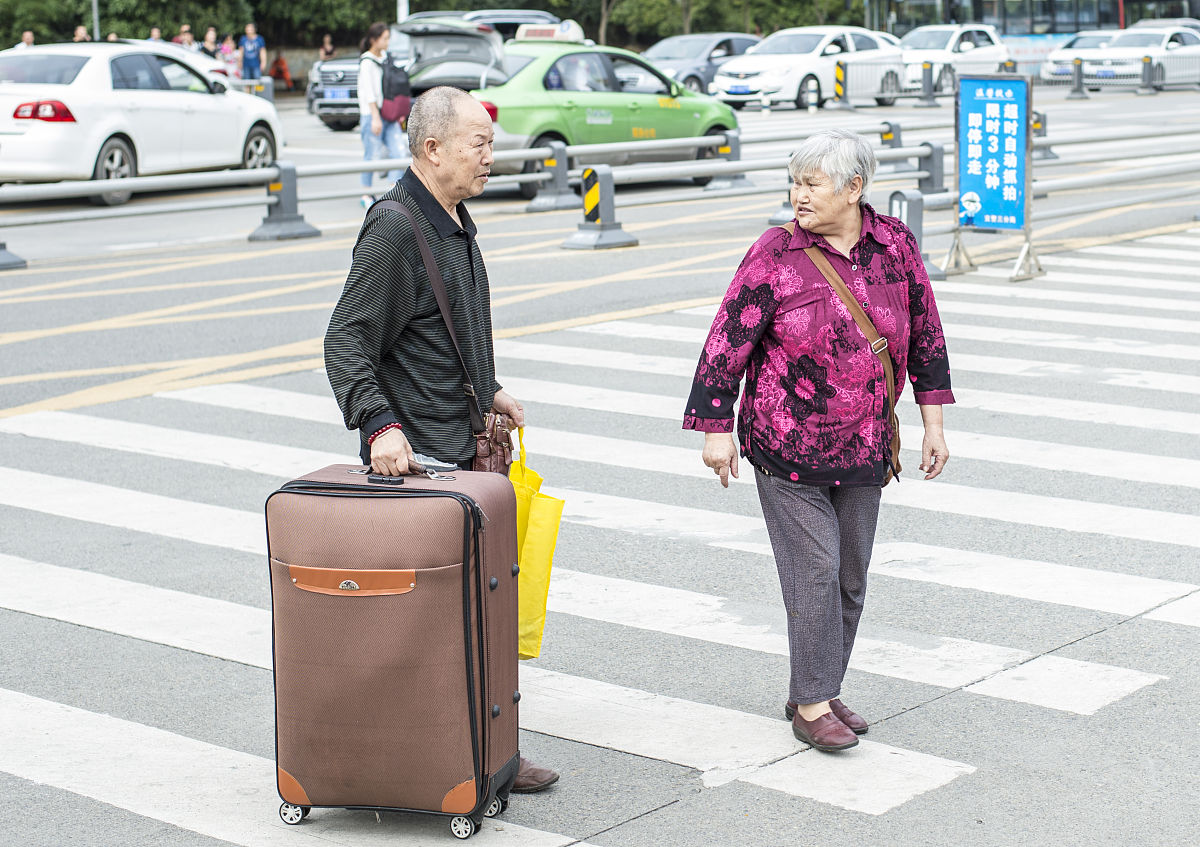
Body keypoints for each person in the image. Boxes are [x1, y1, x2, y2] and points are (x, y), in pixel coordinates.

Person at [683, 129, 954, 753]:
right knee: (815, 571)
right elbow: (728, 338)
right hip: (787, 448)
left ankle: (821, 685)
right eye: (794, 181)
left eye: (811, 183)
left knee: (850, 578)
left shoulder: (894, 246)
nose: (796, 195)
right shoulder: (776, 252)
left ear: (853, 188)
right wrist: (716, 428)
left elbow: (926, 332)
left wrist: (932, 421)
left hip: (865, 445)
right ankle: (810, 705)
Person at [324, 86, 560, 795]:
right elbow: (347, 340)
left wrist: (486, 388)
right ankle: (441, 762)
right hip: (422, 467)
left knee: (483, 615)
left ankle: (491, 754)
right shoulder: (397, 228)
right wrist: (378, 423)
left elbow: (438, 328)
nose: (491, 156)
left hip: (466, 458)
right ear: (432, 149)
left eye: (490, 143)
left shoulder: (454, 217)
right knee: (438, 629)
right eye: (478, 144)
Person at [354, 22, 408, 209]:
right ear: (373, 40)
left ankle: (393, 190)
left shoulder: (386, 58)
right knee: (371, 154)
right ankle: (366, 192)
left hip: (388, 113)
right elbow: (369, 93)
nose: (387, 42)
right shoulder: (367, 62)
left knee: (399, 152)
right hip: (372, 115)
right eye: (384, 38)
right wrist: (375, 117)